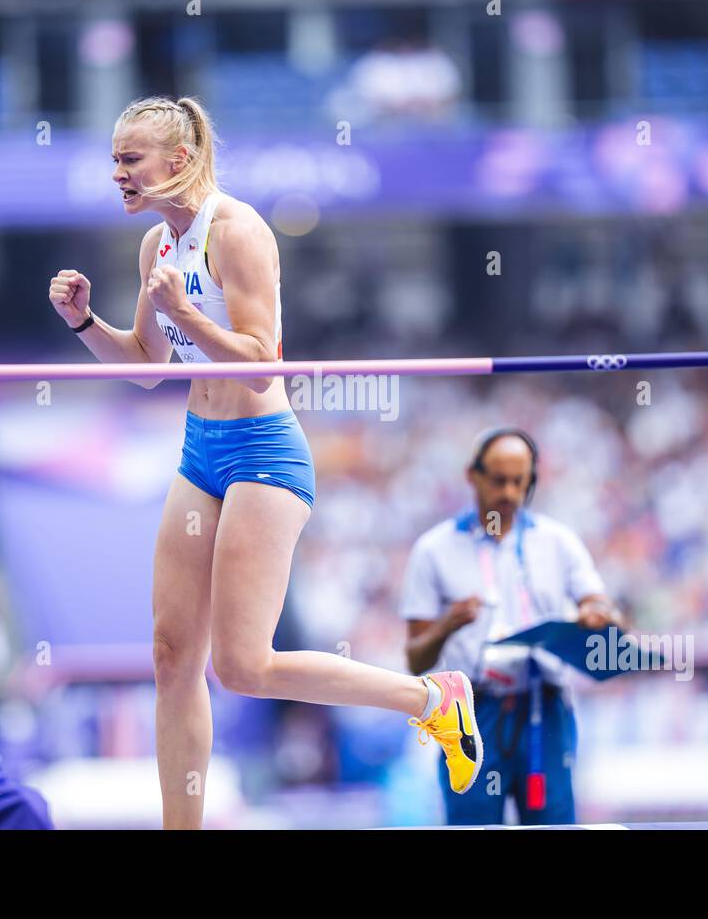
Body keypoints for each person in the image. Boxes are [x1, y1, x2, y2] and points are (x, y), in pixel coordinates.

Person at [45, 95, 482, 829]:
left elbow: (257, 362)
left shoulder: (238, 231)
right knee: (170, 654)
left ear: (178, 162)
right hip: (198, 453)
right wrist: (85, 323)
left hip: (262, 454)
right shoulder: (156, 246)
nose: (116, 173)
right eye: (113, 160)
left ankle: (435, 701)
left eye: (130, 160)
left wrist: (188, 316)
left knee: (243, 667)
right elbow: (149, 366)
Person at [401, 428, 625, 825]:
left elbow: (600, 603)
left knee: (553, 822)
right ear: (473, 476)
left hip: (545, 708)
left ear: (531, 482)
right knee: (471, 823)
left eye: (519, 482)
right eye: (498, 480)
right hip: (471, 712)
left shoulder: (558, 542)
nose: (508, 493)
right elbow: (416, 658)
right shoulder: (433, 550)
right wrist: (448, 625)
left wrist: (599, 614)